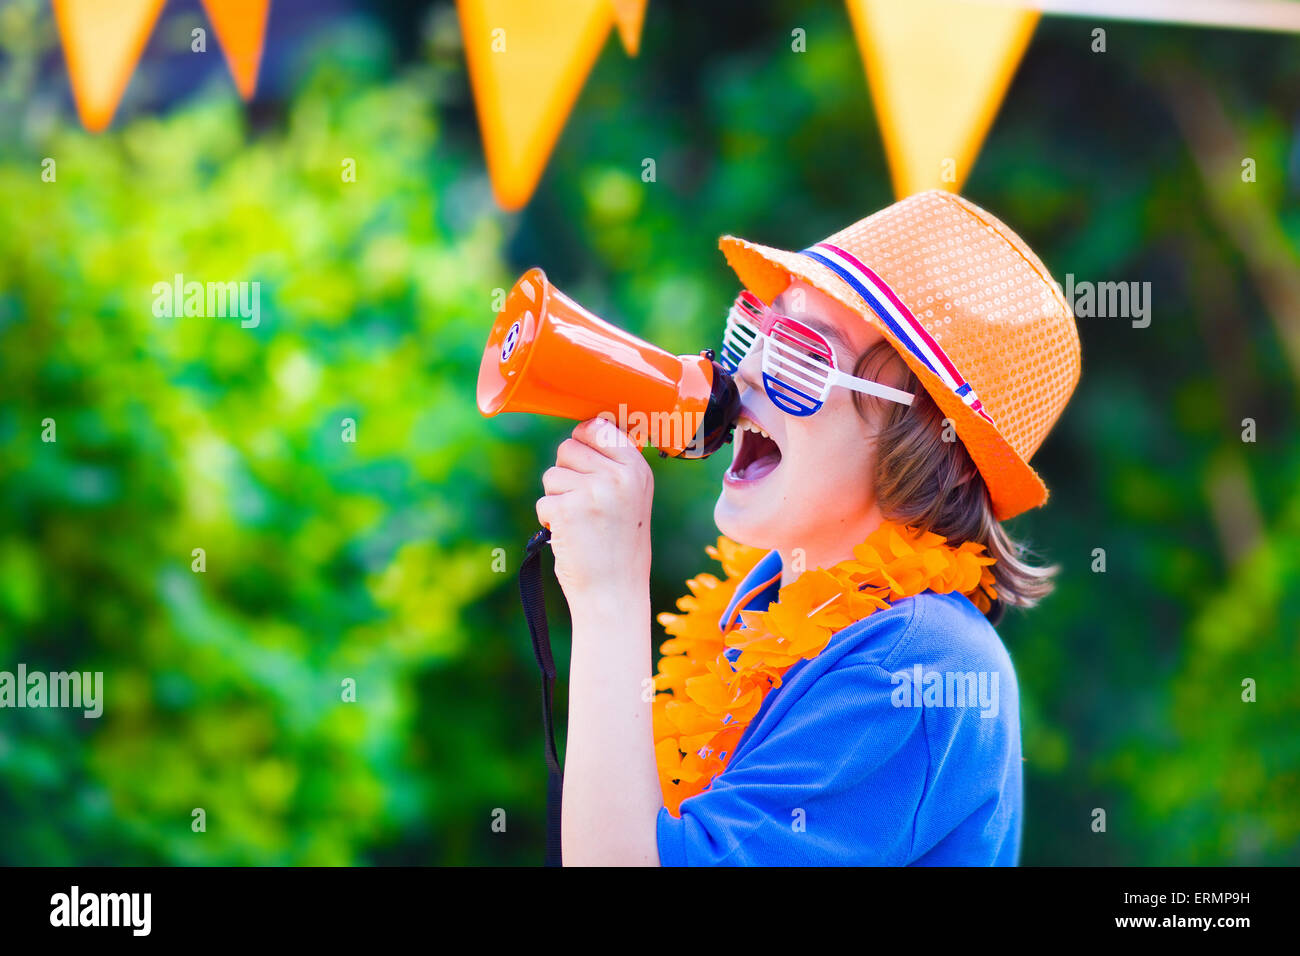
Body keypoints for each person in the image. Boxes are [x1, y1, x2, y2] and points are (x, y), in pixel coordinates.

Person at [535, 189, 1082, 865]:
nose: (747, 371)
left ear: (933, 449)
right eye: (753, 332)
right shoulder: (763, 607)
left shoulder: (915, 664)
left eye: (803, 358)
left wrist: (608, 599)